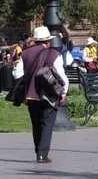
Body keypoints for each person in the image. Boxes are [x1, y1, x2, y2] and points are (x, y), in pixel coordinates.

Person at [19, 25, 68, 163]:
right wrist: (63, 93)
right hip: (49, 95)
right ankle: (42, 154)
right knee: (47, 125)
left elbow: (17, 73)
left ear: (35, 40)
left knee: (36, 124)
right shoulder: (54, 55)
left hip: (31, 95)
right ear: (48, 41)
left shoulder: (25, 54)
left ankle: (38, 151)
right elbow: (62, 77)